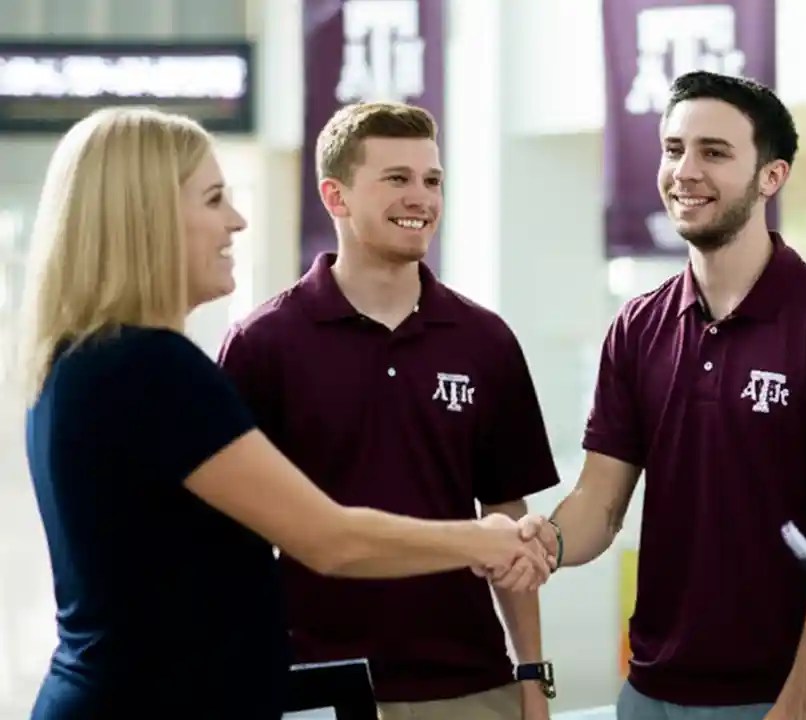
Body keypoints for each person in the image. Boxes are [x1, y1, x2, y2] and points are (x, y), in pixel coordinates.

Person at [16, 107, 552, 719]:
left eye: (432, 180)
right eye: (215, 198)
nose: (237, 221)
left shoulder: (84, 360)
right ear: (148, 218)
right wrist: (481, 540)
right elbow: (328, 539)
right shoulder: (152, 370)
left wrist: (528, 661)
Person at [489, 70, 806, 719]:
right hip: (653, 694)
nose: (685, 170)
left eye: (714, 152)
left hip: (791, 697)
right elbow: (600, 502)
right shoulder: (636, 328)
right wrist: (540, 544)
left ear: (771, 176)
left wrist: (802, 702)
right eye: (673, 148)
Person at [216, 101, 561, 720]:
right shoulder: (263, 344)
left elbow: (506, 517)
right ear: (336, 195)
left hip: (468, 687)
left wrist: (532, 673)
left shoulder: (486, 341)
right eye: (397, 179)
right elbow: (232, 539)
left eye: (432, 180)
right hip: (313, 688)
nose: (422, 198)